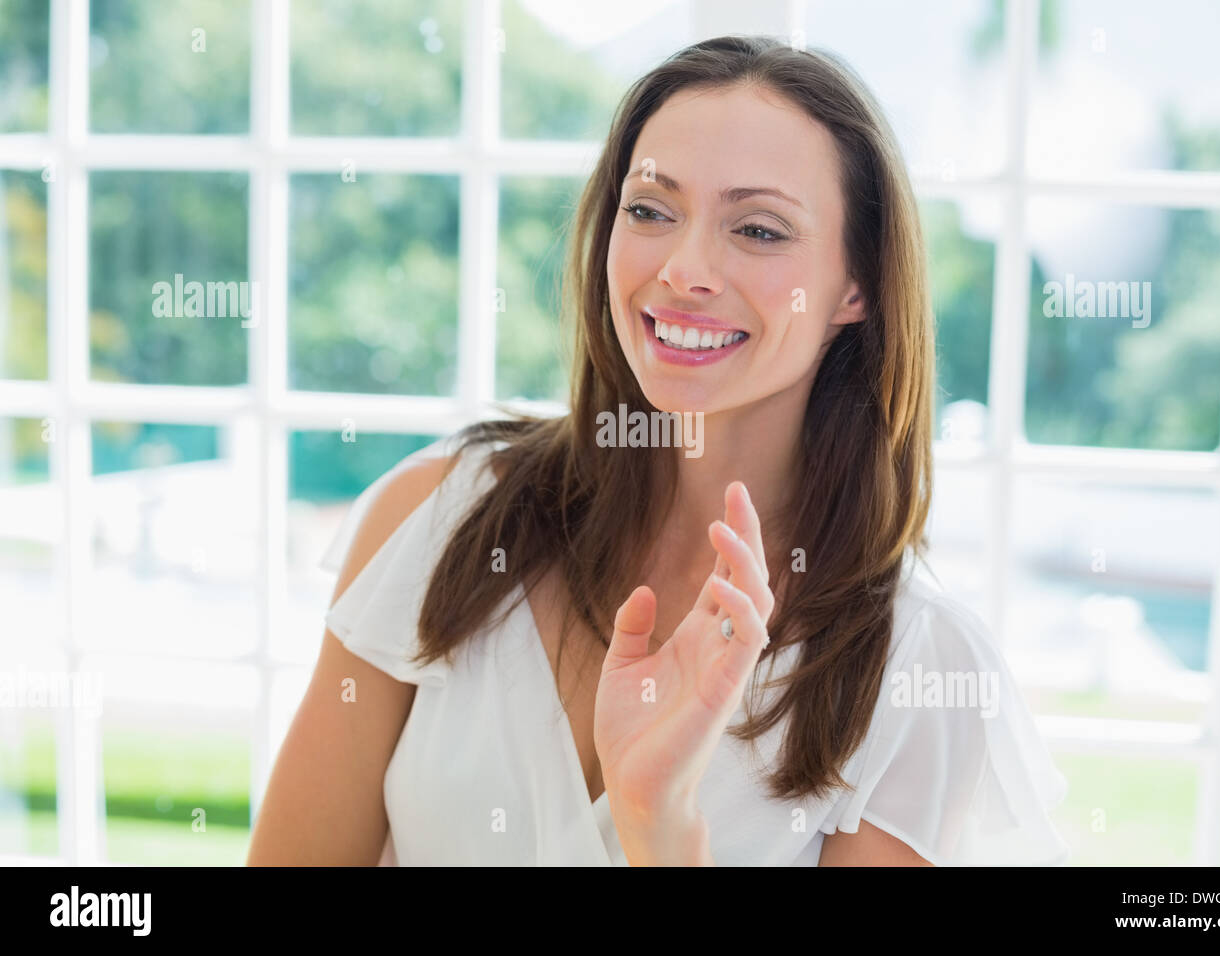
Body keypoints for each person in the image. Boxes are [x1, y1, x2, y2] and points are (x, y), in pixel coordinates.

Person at [247, 34, 1069, 867]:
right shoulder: (436, 515)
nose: (685, 269)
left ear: (855, 286)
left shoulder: (916, 671)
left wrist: (659, 826)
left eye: (757, 228)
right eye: (650, 210)